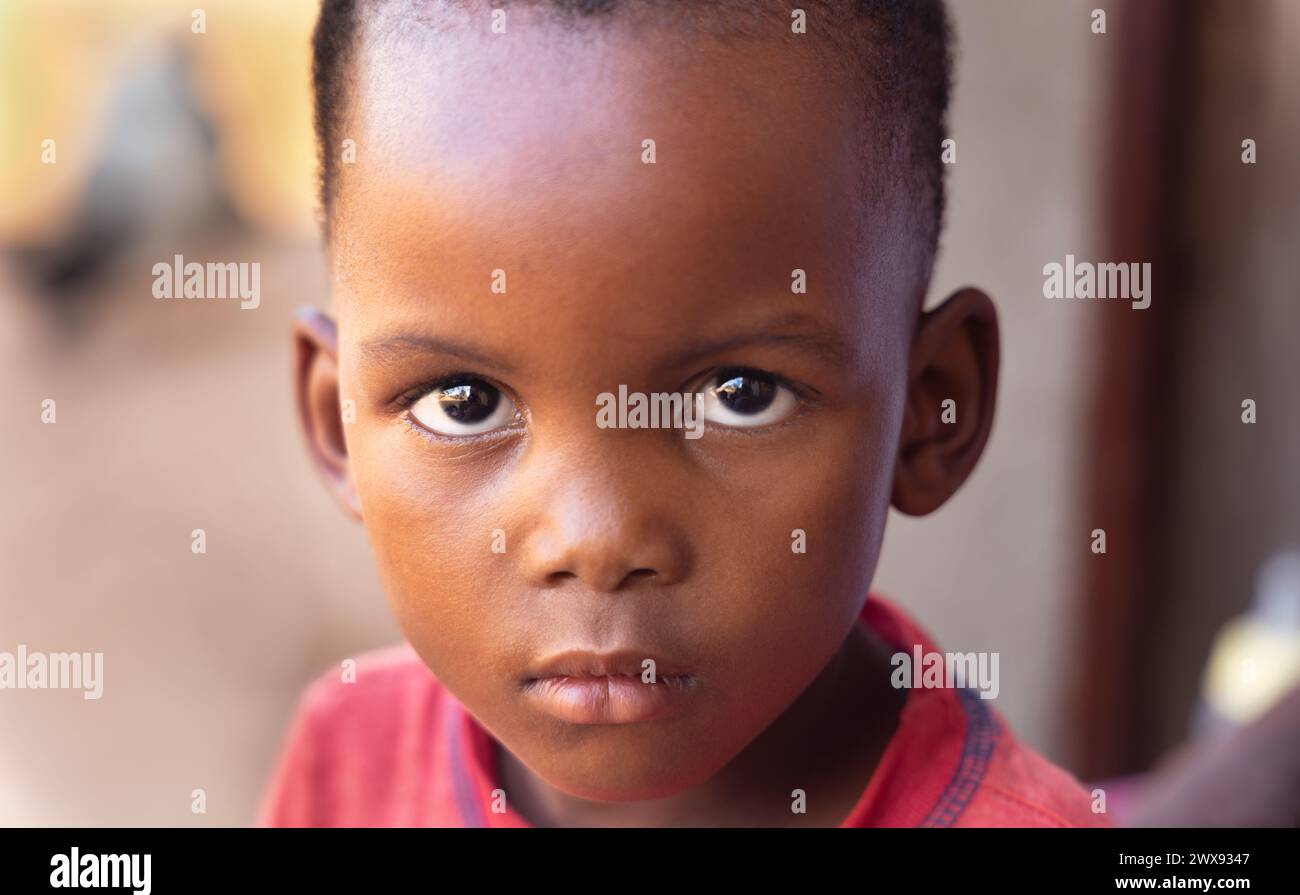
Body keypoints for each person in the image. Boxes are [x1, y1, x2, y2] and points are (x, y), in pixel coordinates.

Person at [258, 0, 1106, 827]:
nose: (596, 542)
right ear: (336, 422)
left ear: (932, 411)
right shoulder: (349, 754)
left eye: (740, 396)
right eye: (465, 402)